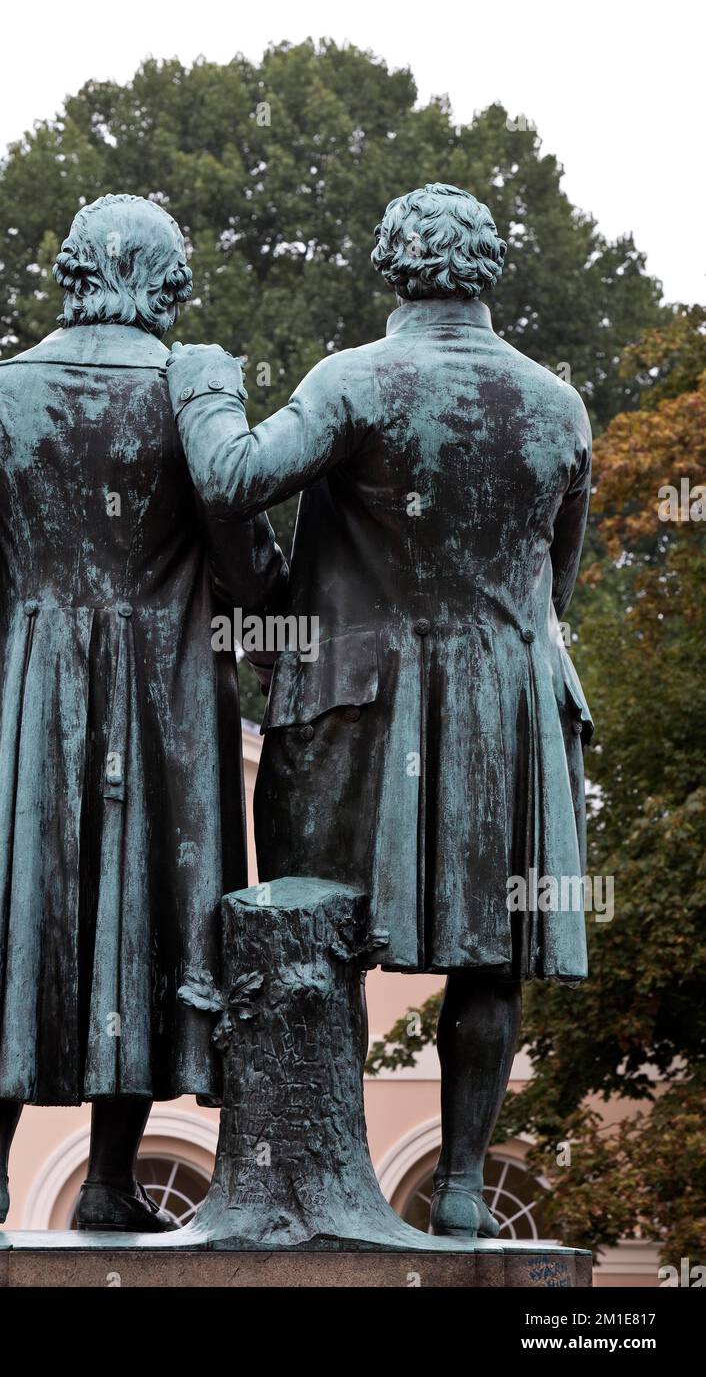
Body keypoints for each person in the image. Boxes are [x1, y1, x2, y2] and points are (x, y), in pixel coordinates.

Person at [166, 183, 593, 1238]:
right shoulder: (559, 405)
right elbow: (559, 585)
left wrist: (207, 384)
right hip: (509, 706)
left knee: (319, 938)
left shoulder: (355, 379)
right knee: (491, 956)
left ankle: (333, 1180)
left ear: (395, 265)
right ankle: (458, 1185)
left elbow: (230, 478)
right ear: (487, 267)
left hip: (356, 706)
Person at [0, 193, 286, 1234]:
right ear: (168, 283)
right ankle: (108, 1174)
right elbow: (255, 579)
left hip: (21, 691)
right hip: (168, 703)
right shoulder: (191, 398)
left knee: (7, 898)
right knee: (147, 908)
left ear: (71, 274)